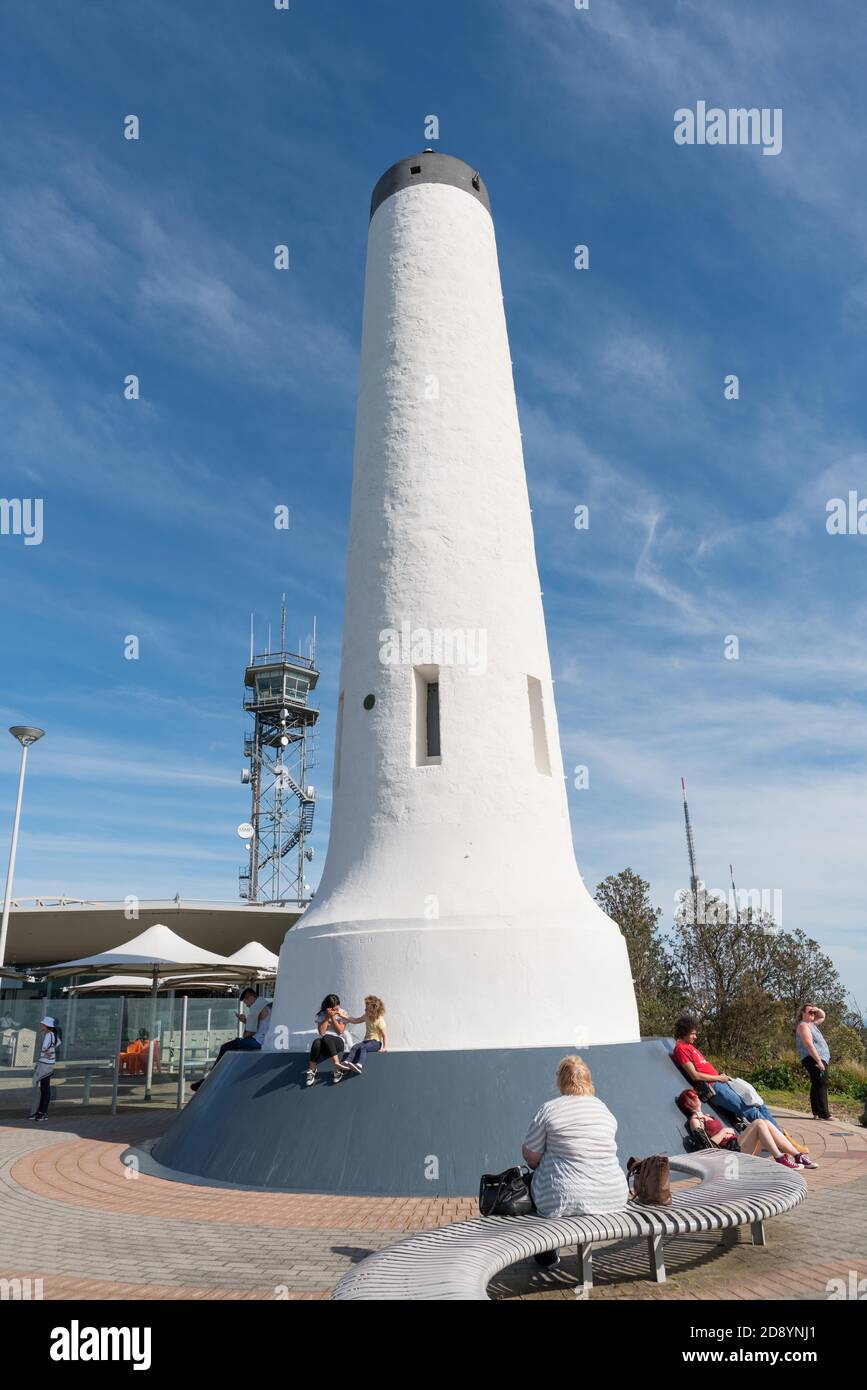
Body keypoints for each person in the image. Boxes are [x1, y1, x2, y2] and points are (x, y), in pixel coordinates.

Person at [522, 1055, 629, 1270]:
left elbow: (530, 1156)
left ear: (560, 1080)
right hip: (613, 1194)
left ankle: (546, 1253)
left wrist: (548, 1160)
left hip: (563, 1197)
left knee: (532, 1183)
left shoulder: (549, 1109)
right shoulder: (603, 1109)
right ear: (588, 1080)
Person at [671, 1015, 782, 1131]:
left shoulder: (689, 1047)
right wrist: (718, 1078)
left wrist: (722, 1077)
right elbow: (694, 1075)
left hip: (721, 1082)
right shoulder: (681, 1049)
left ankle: (782, 1136)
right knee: (749, 1109)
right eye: (692, 1034)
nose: (695, 1037)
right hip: (714, 1087)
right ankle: (779, 1138)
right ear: (684, 1032)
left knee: (758, 1103)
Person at [676, 1089, 817, 1170]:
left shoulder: (707, 1116)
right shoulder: (695, 1121)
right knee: (758, 1123)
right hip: (729, 1155)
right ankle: (780, 1157)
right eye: (693, 1098)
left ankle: (797, 1156)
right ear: (688, 1103)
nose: (698, 1099)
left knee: (765, 1122)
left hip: (736, 1147)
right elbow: (706, 1146)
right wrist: (724, 1131)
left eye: (696, 1097)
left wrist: (727, 1131)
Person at [190, 987, 271, 1091]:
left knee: (225, 1047)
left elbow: (250, 1033)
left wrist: (244, 1035)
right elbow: (261, 1024)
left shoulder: (255, 1007)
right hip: (263, 1040)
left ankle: (209, 1079)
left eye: (247, 1003)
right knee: (234, 1045)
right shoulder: (266, 1005)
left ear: (250, 997)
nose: (247, 1006)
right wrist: (246, 1021)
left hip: (257, 1041)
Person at [795, 1002, 834, 1120]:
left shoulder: (811, 1024)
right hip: (813, 1058)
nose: (813, 1014)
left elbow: (822, 1016)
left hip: (818, 1058)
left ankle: (817, 1112)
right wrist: (819, 1061)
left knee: (816, 1083)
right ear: (802, 1013)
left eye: (813, 1012)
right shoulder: (803, 1026)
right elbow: (809, 1045)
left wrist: (816, 1009)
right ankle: (825, 1114)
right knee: (822, 1083)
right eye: (810, 1012)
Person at [305, 994, 352, 1086]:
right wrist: (327, 1017)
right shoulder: (322, 1015)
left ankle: (337, 1067)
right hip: (326, 1045)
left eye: (337, 1008)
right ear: (328, 1008)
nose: (336, 1011)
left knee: (327, 1037)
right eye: (333, 1009)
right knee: (317, 1042)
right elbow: (322, 1032)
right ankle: (311, 1070)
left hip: (338, 1043)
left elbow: (340, 1031)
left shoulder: (343, 1013)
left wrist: (333, 1018)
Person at [341, 996, 388, 1073]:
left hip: (376, 1043)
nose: (364, 1010)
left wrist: (385, 1047)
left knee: (363, 1048)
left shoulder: (380, 1021)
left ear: (372, 1011)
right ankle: (347, 1062)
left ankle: (359, 1065)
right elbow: (356, 1020)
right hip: (366, 1041)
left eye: (366, 1009)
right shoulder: (366, 1016)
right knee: (354, 1047)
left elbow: (384, 1035)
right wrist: (346, 1017)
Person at [31, 1016, 62, 1122]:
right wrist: (51, 1051)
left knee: (44, 1089)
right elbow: (58, 1043)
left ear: (46, 1026)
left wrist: (47, 1052)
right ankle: (41, 1112)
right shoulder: (54, 1034)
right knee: (45, 1089)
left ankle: (42, 1113)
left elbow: (44, 1047)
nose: (41, 1026)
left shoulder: (48, 1035)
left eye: (42, 1024)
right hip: (50, 1064)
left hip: (44, 1064)